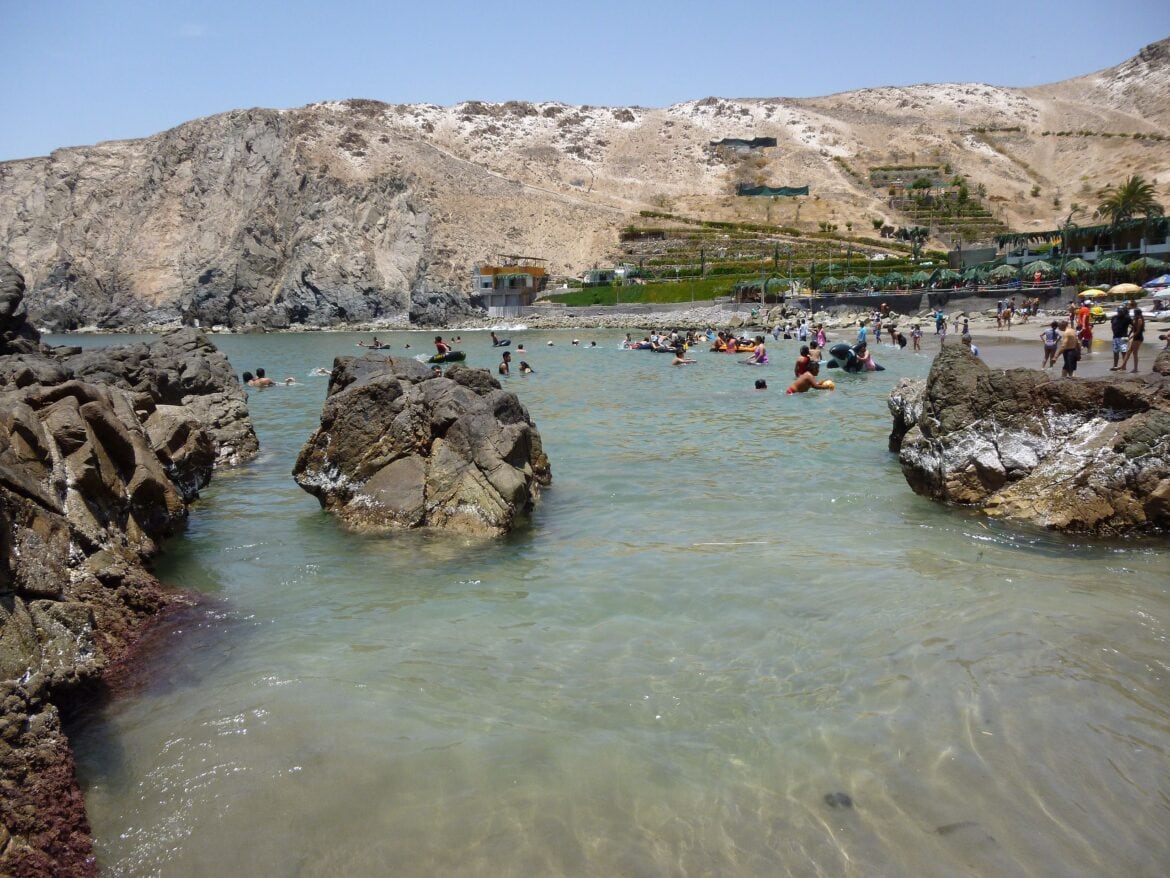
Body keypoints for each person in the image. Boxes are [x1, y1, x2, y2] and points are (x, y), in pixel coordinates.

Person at [1118, 307, 1145, 373]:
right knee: (1129, 351)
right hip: (1135, 337)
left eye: (1135, 313)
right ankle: (1123, 366)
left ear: (1137, 313)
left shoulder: (1139, 320)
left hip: (1138, 337)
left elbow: (1138, 331)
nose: (1134, 314)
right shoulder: (1135, 319)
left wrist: (1130, 337)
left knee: (1134, 353)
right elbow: (1133, 329)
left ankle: (1135, 369)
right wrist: (1130, 334)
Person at [1109, 306, 1132, 370]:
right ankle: (1115, 365)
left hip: (1123, 337)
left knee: (1123, 352)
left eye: (1121, 311)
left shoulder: (1127, 318)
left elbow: (1133, 327)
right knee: (1115, 352)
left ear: (1123, 312)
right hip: (1115, 337)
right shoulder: (1114, 318)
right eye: (1119, 311)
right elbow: (1112, 325)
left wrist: (1129, 335)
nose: (1120, 313)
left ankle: (1124, 366)